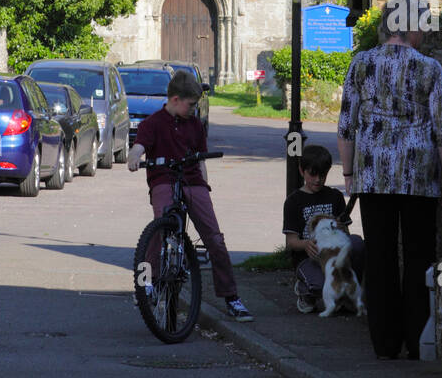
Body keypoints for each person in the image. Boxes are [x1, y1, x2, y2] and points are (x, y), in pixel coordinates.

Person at [337, 0, 442, 360]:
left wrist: (349, 174)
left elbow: (346, 128)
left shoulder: (361, 64)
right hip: (419, 177)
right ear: (410, 26)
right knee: (419, 256)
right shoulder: (430, 69)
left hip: (373, 175)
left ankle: (385, 344)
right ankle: (419, 341)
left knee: (381, 256)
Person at [128, 69, 253, 321]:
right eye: (191, 104)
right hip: (163, 178)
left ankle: (232, 297)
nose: (194, 109)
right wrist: (134, 157)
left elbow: (201, 157)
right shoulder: (152, 123)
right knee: (159, 227)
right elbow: (139, 146)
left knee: (214, 238)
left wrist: (204, 188)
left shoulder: (194, 125)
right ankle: (148, 284)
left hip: (191, 180)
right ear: (175, 99)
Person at [283, 143, 365, 314]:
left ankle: (345, 294)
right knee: (319, 286)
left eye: (323, 175)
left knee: (357, 243)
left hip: (333, 256)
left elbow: (345, 233)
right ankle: (305, 290)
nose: (318, 179)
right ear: (302, 170)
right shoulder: (293, 201)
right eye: (312, 174)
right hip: (309, 259)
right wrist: (305, 244)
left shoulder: (335, 196)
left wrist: (341, 234)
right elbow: (291, 241)